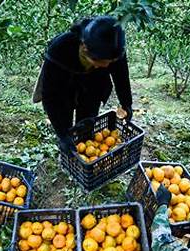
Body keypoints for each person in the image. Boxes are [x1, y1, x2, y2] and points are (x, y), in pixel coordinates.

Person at [33, 16, 133, 154]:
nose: (107, 66)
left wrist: (126, 102)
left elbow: (121, 75)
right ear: (84, 48)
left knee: (87, 124)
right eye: (101, 62)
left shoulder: (113, 47)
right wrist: (62, 134)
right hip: (64, 86)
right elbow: (50, 96)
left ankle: (84, 160)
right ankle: (68, 155)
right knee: (65, 123)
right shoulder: (60, 48)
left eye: (110, 62)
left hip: (93, 86)